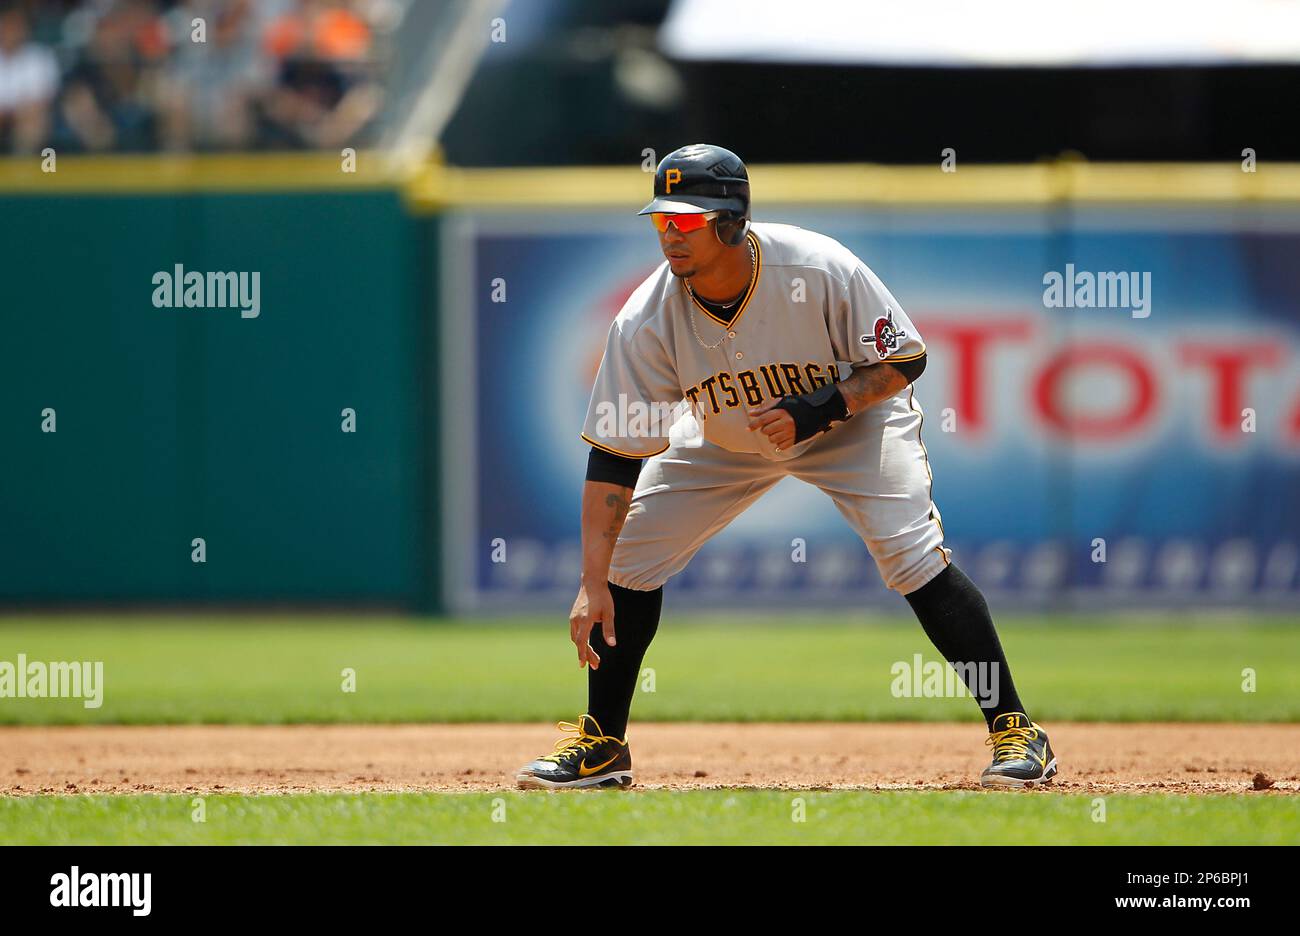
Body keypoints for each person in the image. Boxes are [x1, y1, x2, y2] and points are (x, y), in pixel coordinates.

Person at [515, 143, 1058, 791]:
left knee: (912, 557)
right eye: (662, 220)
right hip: (724, 439)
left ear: (732, 222)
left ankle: (1016, 731)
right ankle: (603, 747)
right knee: (628, 559)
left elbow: (905, 358)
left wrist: (825, 406)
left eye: (686, 221)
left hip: (851, 423)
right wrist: (592, 579)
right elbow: (614, 454)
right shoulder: (645, 319)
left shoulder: (818, 267)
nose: (670, 235)